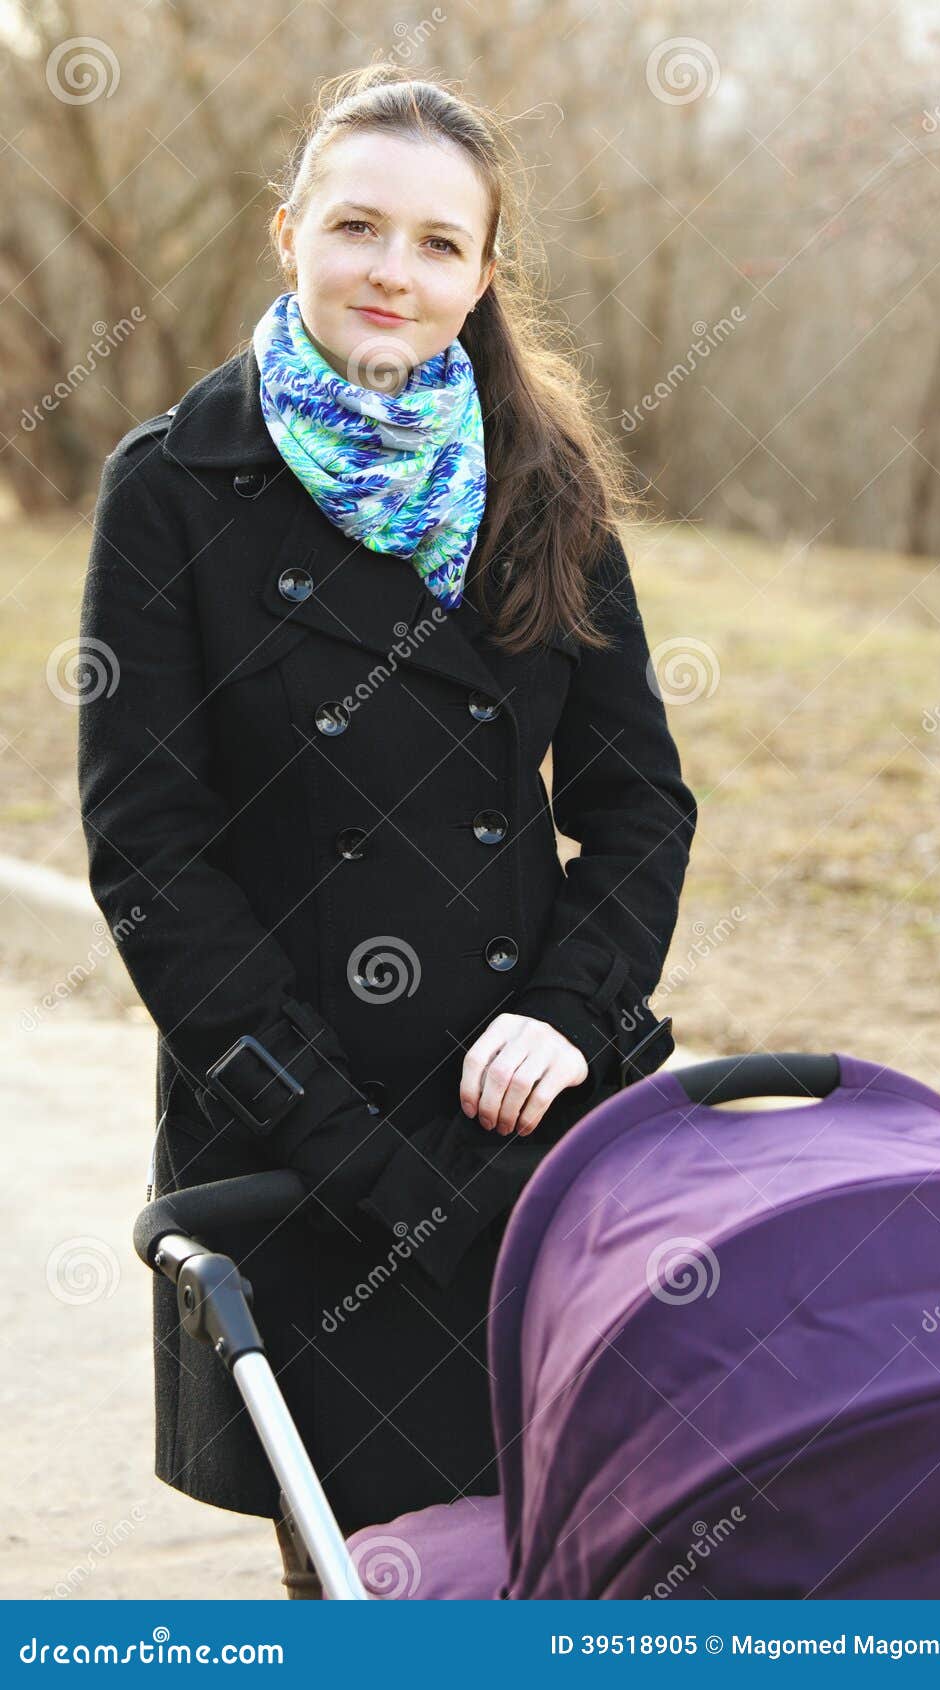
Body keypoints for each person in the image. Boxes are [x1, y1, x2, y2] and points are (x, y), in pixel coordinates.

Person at [77, 63, 697, 1599]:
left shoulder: (546, 485)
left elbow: (638, 803)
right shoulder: (173, 489)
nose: (391, 271)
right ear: (290, 233)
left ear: (484, 275)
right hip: (300, 1137)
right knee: (370, 1583)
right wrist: (342, 1142)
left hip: (529, 1133)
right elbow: (150, 850)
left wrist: (570, 1012)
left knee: (579, 1550)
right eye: (358, 224)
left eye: (437, 243)